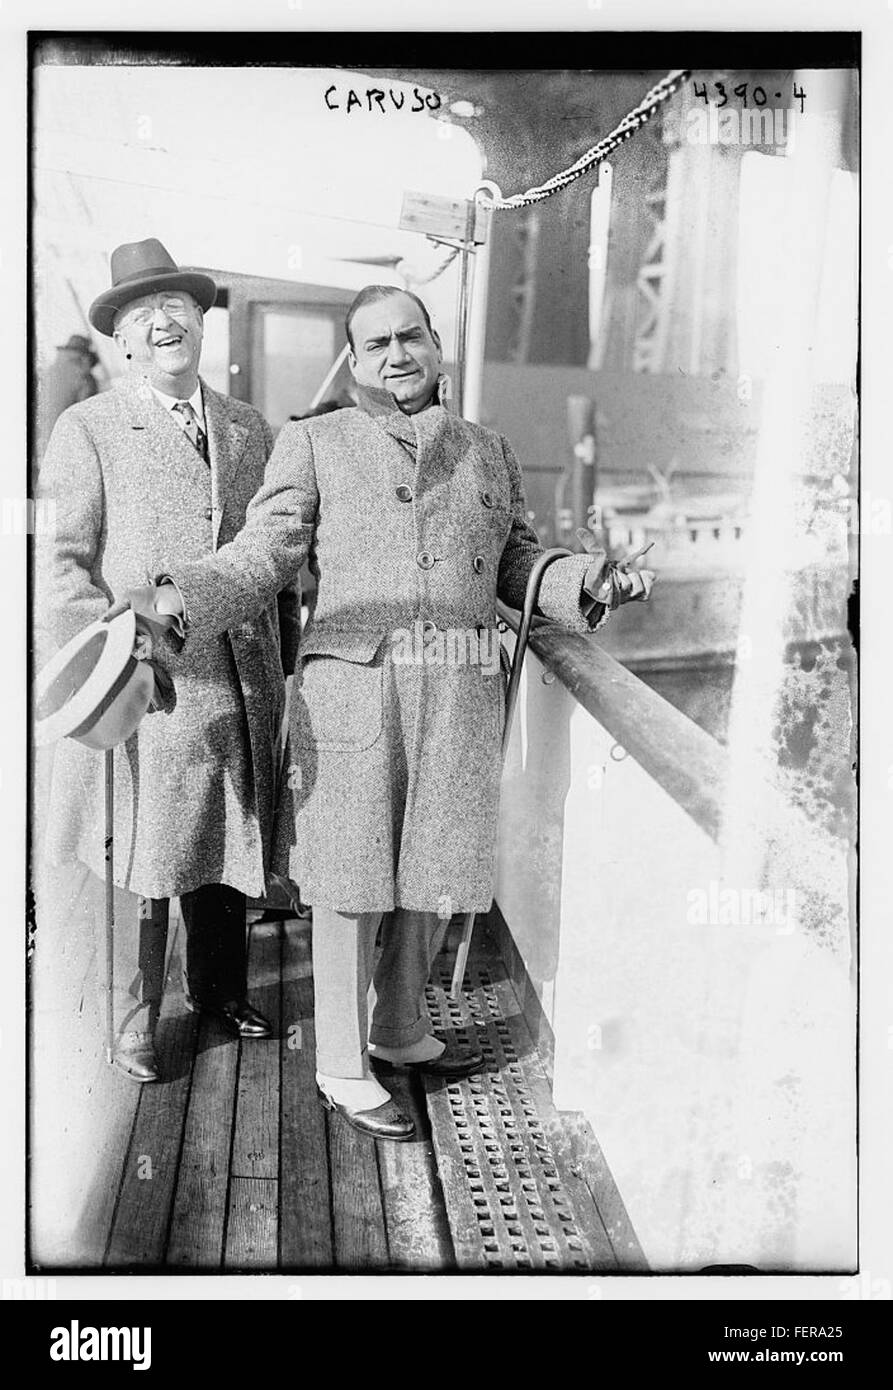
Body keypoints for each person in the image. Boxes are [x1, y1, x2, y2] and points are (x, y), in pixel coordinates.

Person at [117, 285, 653, 1134]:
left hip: (459, 691)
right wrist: (181, 596)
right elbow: (265, 553)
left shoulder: (486, 450)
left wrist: (588, 579)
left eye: (410, 337)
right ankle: (339, 1064)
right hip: (354, 696)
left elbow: (514, 561)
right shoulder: (314, 441)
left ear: (435, 344)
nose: (396, 354)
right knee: (350, 882)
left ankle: (398, 1028)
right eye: (376, 344)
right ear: (356, 360)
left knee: (435, 869)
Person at [36, 238, 299, 1082]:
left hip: (238, 680)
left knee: (224, 845)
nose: (163, 323)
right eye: (143, 313)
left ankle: (217, 991)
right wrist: (112, 661)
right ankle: (134, 1016)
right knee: (142, 855)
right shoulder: (87, 428)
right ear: (120, 339)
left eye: (176, 307)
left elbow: (272, 558)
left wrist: (285, 658)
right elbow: (58, 566)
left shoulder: (250, 428)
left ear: (201, 321)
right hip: (146, 685)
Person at [37, 333, 100, 466]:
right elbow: (89, 417)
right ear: (85, 356)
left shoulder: (48, 372)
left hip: (44, 446)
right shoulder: (84, 377)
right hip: (70, 447)